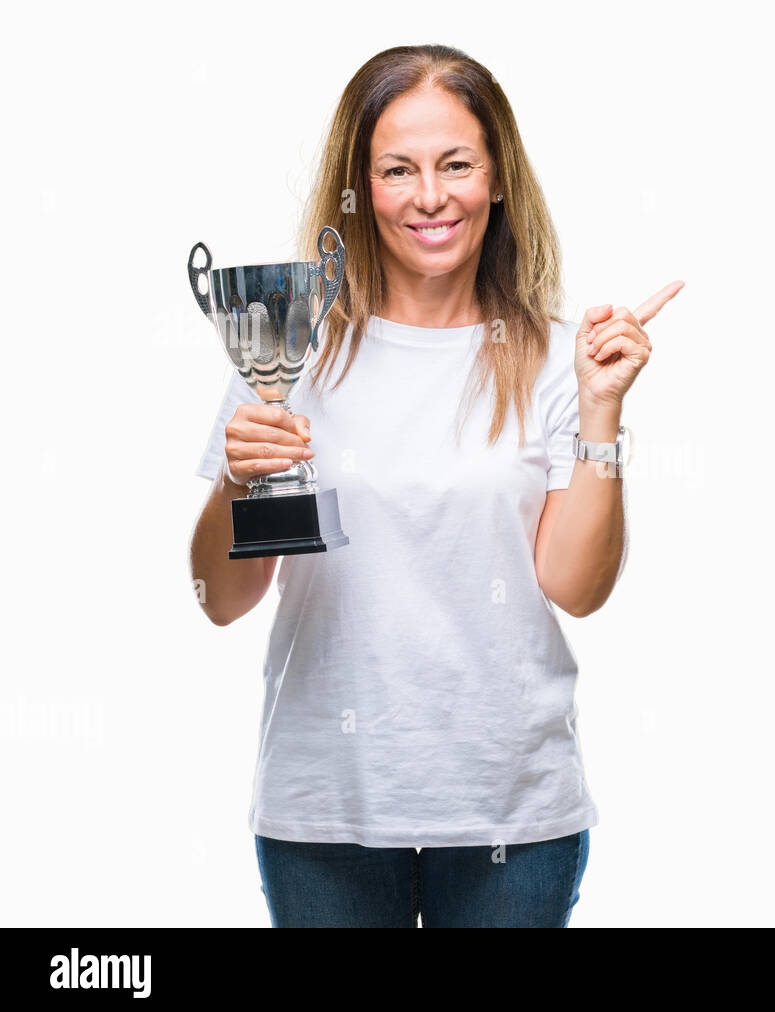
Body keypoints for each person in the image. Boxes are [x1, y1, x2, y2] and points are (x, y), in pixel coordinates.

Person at [188, 43, 683, 928]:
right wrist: (237, 479)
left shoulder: (555, 362)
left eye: (456, 164)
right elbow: (222, 601)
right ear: (359, 185)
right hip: (324, 811)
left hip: (514, 813)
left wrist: (602, 414)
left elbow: (577, 586)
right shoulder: (291, 349)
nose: (429, 196)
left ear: (497, 179)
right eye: (396, 170)